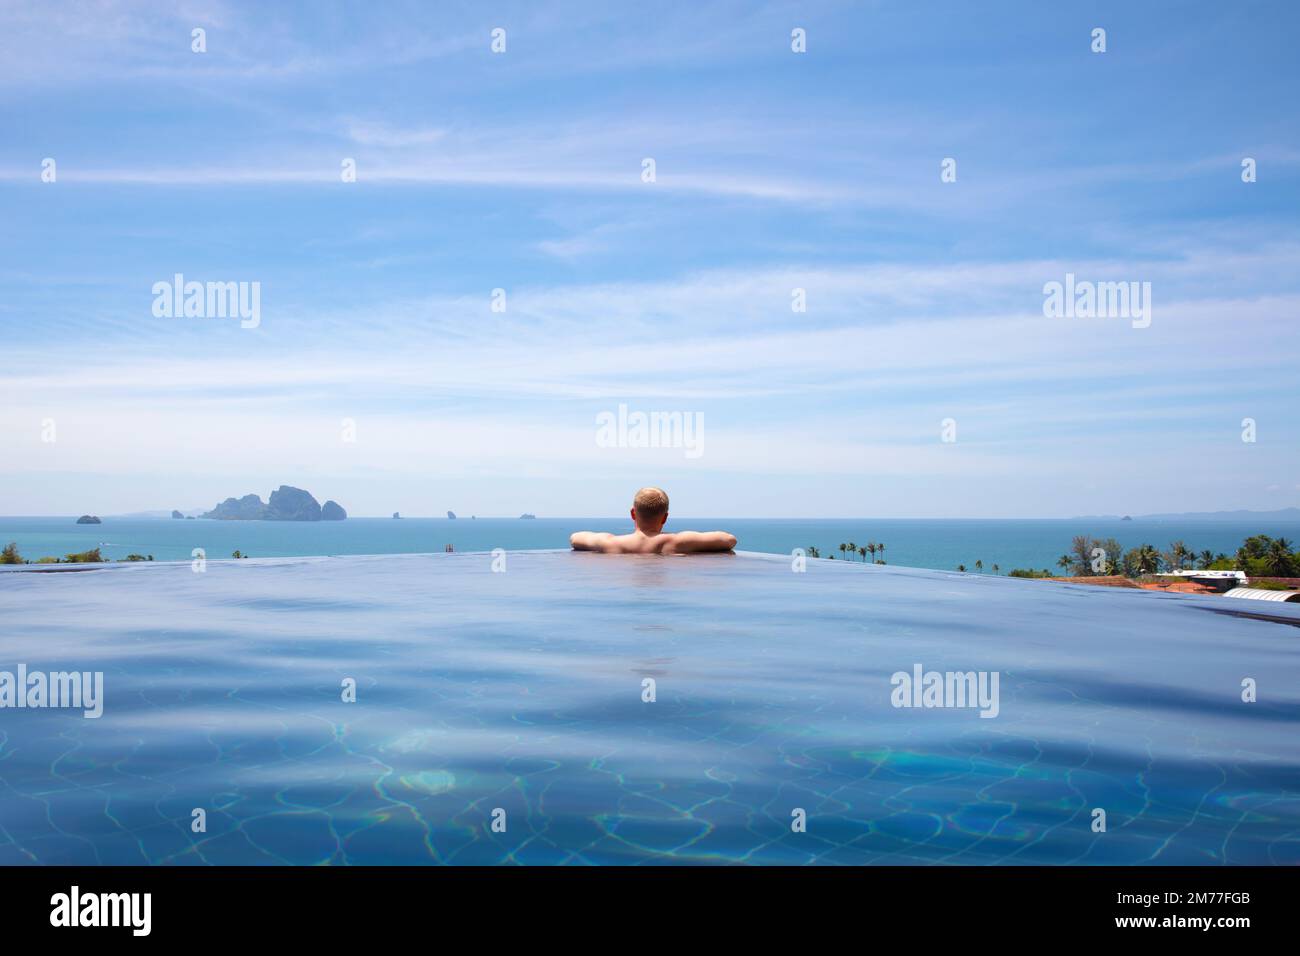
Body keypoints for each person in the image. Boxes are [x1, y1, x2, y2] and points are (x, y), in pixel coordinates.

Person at [569, 487, 737, 555]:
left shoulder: (611, 543)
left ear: (633, 514)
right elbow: (729, 539)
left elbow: (575, 538)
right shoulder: (676, 542)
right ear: (665, 517)